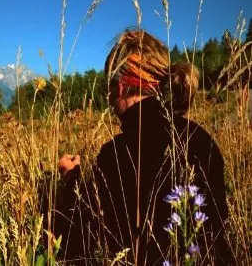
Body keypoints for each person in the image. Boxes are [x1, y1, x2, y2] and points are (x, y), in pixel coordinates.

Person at [47, 29, 232, 265]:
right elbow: (217, 228)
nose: (109, 96)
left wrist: (70, 181)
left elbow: (83, 242)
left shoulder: (113, 155)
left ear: (121, 88)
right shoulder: (202, 140)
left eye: (110, 87)